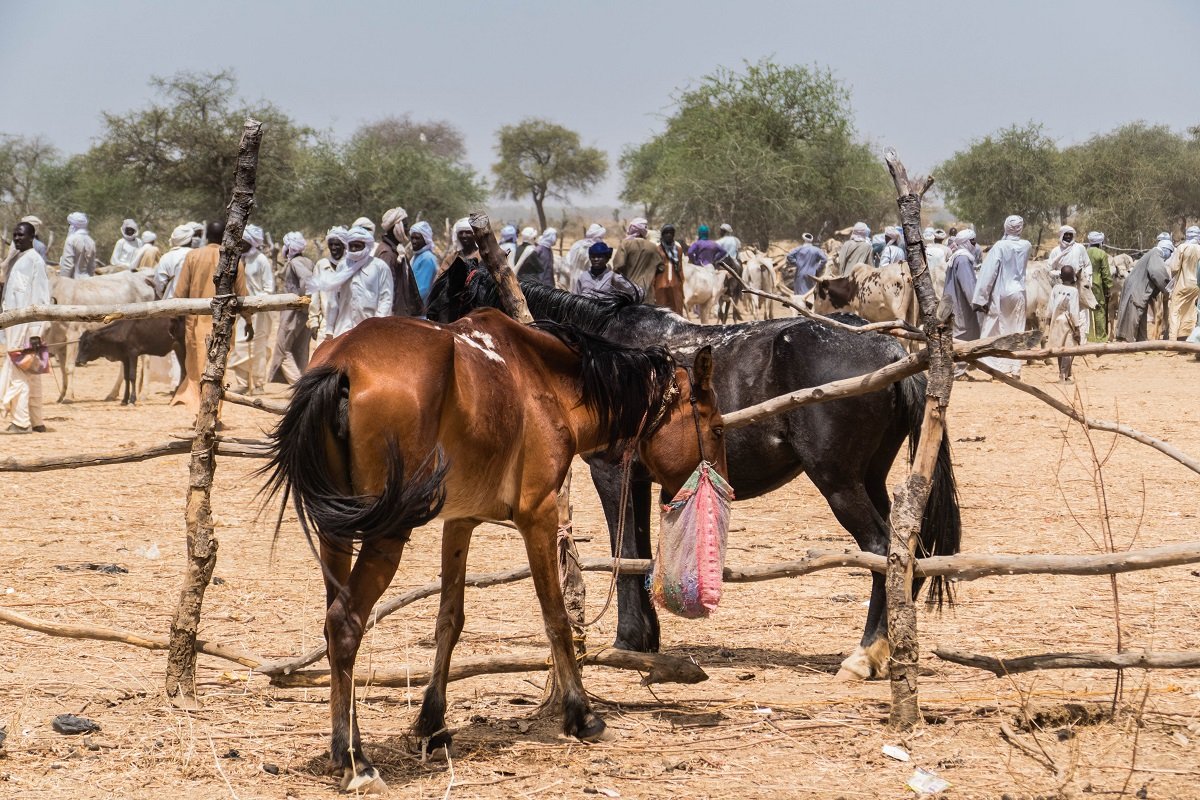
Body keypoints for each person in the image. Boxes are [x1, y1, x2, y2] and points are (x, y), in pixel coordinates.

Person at [171, 220, 252, 411]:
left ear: (206, 236)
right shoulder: (233, 259)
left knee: (197, 368)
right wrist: (249, 321)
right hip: (223, 324)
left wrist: (174, 319)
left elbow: (180, 291)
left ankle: (201, 410)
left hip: (196, 323)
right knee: (218, 370)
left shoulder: (193, 256)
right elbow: (242, 294)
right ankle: (213, 412)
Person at [0, 222, 51, 434]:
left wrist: (37, 330)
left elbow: (40, 297)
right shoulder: (20, 259)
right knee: (32, 371)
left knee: (20, 371)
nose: (17, 239)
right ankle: (37, 421)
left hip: (26, 327)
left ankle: (21, 422)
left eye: (21, 235)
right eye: (15, 235)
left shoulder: (35, 261)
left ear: (32, 237)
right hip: (16, 325)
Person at [971, 215, 1031, 377]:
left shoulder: (999, 246)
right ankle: (1015, 368)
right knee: (1017, 330)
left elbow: (989, 273)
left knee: (996, 329)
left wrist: (980, 298)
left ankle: (998, 368)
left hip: (1001, 293)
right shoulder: (1026, 246)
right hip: (1019, 292)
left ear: (1006, 227)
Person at [310, 225, 394, 338]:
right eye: (351, 246)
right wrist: (329, 329)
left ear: (366, 246)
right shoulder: (343, 266)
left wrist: (377, 326)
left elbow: (386, 300)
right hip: (343, 329)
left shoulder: (379, 267)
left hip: (370, 330)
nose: (354, 250)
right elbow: (333, 301)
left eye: (357, 246)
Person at [229, 224, 275, 394]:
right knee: (240, 345)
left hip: (259, 311)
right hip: (241, 311)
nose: (240, 243)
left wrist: (256, 303)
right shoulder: (237, 259)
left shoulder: (261, 260)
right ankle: (242, 383)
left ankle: (258, 384)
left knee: (258, 347)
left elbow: (269, 287)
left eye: (244, 241)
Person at [267, 232, 314, 384]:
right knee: (300, 350)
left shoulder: (295, 263)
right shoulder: (307, 261)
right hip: (305, 313)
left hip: (293, 312)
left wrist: (301, 301)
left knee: (283, 350)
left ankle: (299, 385)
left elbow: (306, 281)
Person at [1115, 237, 1173, 342]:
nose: (1170, 255)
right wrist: (1167, 288)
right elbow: (1157, 272)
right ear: (1166, 249)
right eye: (1170, 252)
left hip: (1136, 287)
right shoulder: (1156, 255)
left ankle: (1141, 340)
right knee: (1134, 314)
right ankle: (1129, 341)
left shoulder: (1152, 254)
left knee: (1141, 315)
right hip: (1137, 289)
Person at [944, 231, 981, 378]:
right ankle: (958, 371)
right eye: (972, 241)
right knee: (963, 334)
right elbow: (968, 286)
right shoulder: (963, 260)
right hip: (961, 304)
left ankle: (960, 368)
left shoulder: (957, 257)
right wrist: (977, 303)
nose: (975, 244)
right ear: (966, 242)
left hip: (954, 301)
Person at [1048, 225, 1094, 337]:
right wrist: (1062, 274)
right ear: (1061, 235)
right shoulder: (1055, 251)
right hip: (1062, 286)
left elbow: (1088, 265)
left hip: (1078, 286)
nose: (1068, 237)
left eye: (1070, 235)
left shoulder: (1080, 248)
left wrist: (1085, 277)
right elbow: (1049, 269)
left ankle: (1081, 336)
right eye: (1066, 235)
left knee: (1080, 311)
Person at [376, 209, 422, 316]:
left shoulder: (397, 250)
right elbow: (386, 292)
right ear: (397, 227)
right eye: (405, 226)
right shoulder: (387, 253)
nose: (407, 229)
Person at [1046, 264, 1086, 383]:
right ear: (1073, 277)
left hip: (1056, 320)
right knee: (1069, 349)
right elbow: (1074, 311)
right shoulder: (1073, 291)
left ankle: (1064, 374)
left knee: (1060, 348)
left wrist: (1048, 322)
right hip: (1067, 323)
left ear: (1061, 277)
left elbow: (1050, 307)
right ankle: (1063, 376)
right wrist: (1077, 327)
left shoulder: (1056, 288)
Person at [309, 226, 348, 336]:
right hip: (325, 325)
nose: (334, 248)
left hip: (346, 325)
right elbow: (315, 296)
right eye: (331, 244)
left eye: (337, 245)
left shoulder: (350, 267)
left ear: (344, 245)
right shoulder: (321, 266)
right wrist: (313, 321)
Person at [612, 217, 661, 303]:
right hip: (647, 293)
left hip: (628, 292)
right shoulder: (652, 247)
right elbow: (661, 268)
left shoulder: (625, 244)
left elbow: (618, 266)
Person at [571, 241, 638, 299]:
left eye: (599, 257)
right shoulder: (583, 277)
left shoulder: (614, 277)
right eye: (593, 256)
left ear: (607, 259)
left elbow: (635, 291)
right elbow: (575, 297)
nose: (596, 259)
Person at [1167, 226, 1200, 340]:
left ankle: (1172, 342)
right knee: (1190, 312)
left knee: (1175, 311)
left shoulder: (1182, 247)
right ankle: (1187, 340)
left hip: (1182, 284)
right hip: (1196, 286)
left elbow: (1174, 267)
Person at [154, 224, 194, 299]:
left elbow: (159, 283)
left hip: (170, 303)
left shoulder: (166, 257)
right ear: (190, 240)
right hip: (194, 302)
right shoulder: (196, 255)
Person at [1085, 232, 1112, 341]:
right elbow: (1105, 273)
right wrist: (1109, 286)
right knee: (1099, 309)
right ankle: (1101, 337)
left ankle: (1090, 336)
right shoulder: (1102, 254)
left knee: (1088, 309)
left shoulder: (1085, 252)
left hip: (1085, 284)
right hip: (1097, 284)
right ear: (1100, 242)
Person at [655, 224, 686, 314]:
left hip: (675, 284)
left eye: (671, 233)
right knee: (662, 311)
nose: (669, 235)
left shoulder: (678, 249)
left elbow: (680, 268)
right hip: (661, 284)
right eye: (666, 233)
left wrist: (681, 284)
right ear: (662, 234)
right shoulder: (657, 249)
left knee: (677, 309)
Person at [564, 223, 606, 288]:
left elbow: (567, 265)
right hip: (589, 284)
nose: (601, 239)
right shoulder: (596, 249)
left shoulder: (576, 245)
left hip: (574, 280)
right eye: (600, 237)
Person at [785, 233, 827, 298]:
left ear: (803, 239)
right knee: (811, 293)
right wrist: (818, 269)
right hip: (812, 275)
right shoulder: (817, 250)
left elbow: (789, 256)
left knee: (800, 294)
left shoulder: (799, 249)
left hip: (800, 273)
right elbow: (824, 259)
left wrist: (797, 263)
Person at [58, 212, 97, 279]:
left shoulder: (71, 240)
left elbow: (68, 265)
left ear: (72, 226)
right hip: (87, 279)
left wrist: (62, 281)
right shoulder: (91, 241)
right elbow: (92, 266)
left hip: (74, 281)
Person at [409, 221, 438, 304]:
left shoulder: (427, 258)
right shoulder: (416, 256)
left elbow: (422, 290)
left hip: (420, 311)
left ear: (425, 239)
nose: (414, 241)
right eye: (412, 238)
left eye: (417, 238)